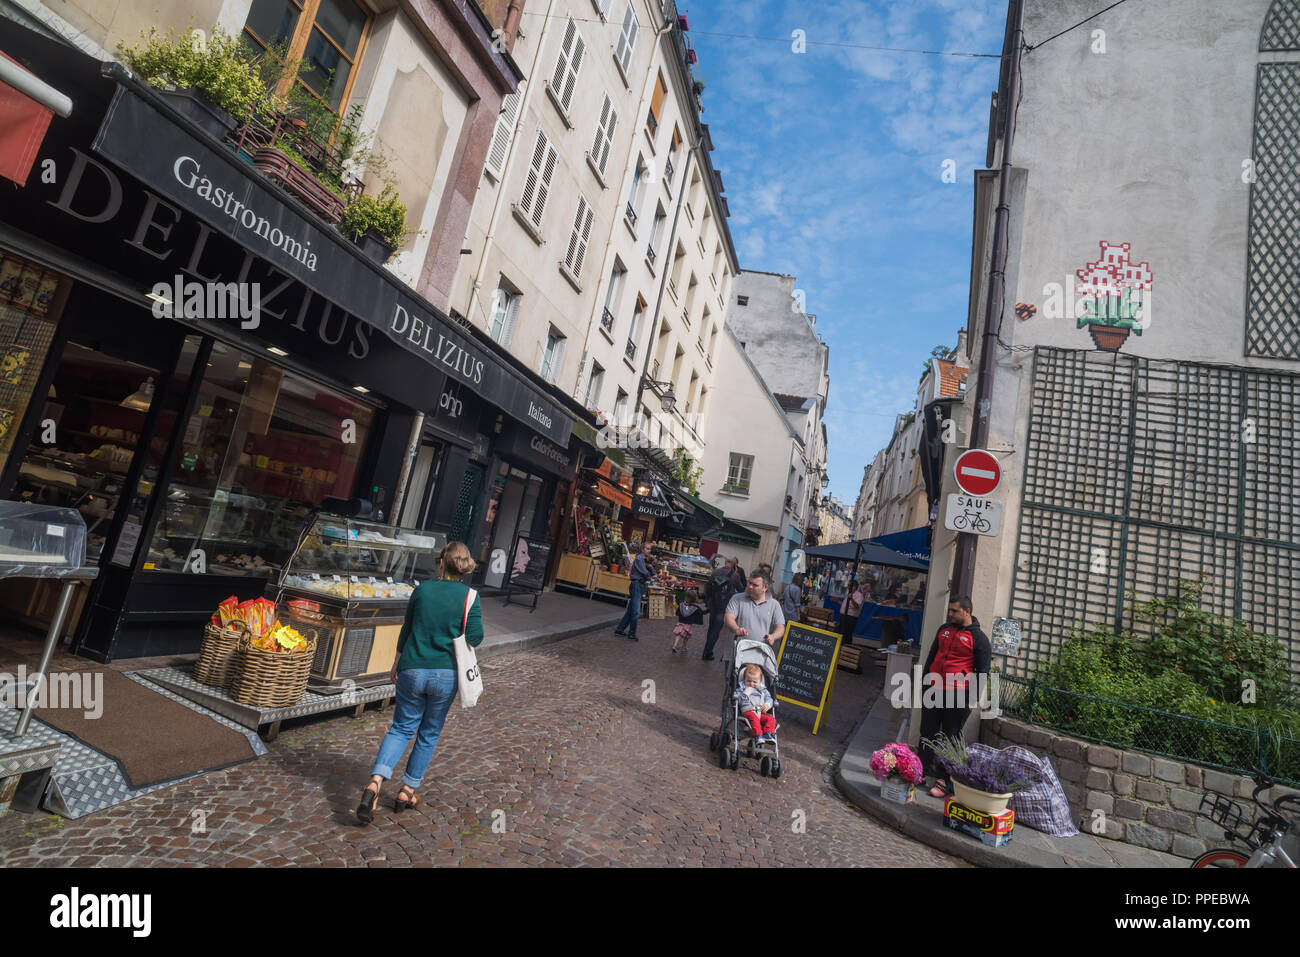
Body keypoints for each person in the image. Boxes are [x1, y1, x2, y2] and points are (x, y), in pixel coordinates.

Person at [357, 541, 482, 824]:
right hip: (445, 674)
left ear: (441, 562)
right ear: (464, 566)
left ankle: (375, 782)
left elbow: (408, 627)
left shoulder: (422, 590)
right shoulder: (470, 597)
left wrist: (396, 661)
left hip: (412, 668)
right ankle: (407, 791)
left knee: (401, 727)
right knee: (429, 732)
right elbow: (476, 637)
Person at [918, 595, 991, 798]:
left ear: (967, 612)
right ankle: (920, 771)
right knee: (927, 731)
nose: (950, 614)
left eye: (954, 611)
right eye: (949, 610)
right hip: (933, 690)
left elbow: (982, 671)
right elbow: (932, 657)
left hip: (958, 694)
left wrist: (971, 700)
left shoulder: (980, 639)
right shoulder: (944, 630)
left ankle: (944, 780)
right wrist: (924, 685)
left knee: (951, 738)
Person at [724, 571, 786, 648]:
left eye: (755, 585)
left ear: (765, 588)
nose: (750, 587)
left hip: (760, 652)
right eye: (749, 583)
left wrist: (773, 637)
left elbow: (780, 627)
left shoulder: (774, 604)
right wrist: (736, 629)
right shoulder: (737, 598)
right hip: (738, 651)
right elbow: (728, 617)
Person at [702, 557, 743, 661]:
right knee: (716, 630)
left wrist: (707, 602)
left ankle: (707, 649)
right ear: (734, 564)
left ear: (725, 562)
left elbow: (708, 588)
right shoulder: (735, 575)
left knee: (711, 628)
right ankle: (707, 652)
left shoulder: (716, 572)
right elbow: (741, 589)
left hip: (713, 604)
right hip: (724, 606)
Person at [614, 542, 653, 641]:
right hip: (636, 585)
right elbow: (644, 572)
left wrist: (652, 571)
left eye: (650, 549)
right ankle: (631, 634)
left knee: (631, 610)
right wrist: (652, 575)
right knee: (636, 612)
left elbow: (649, 570)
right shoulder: (640, 559)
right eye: (648, 549)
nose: (649, 550)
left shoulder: (644, 559)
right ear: (643, 549)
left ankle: (620, 629)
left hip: (639, 585)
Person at [737, 663, 776, 745]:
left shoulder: (763, 690)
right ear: (744, 680)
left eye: (755, 682)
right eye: (748, 681)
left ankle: (768, 734)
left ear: (760, 681)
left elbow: (769, 698)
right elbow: (739, 700)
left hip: (760, 713)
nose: (751, 684)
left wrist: (767, 704)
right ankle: (758, 735)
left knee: (771, 719)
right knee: (754, 718)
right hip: (748, 711)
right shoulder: (742, 689)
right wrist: (746, 692)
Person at [672, 588, 704, 653]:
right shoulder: (695, 608)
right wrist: (709, 610)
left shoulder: (681, 604)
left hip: (680, 622)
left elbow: (677, 601)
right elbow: (702, 612)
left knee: (678, 634)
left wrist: (677, 594)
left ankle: (674, 646)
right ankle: (683, 647)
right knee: (686, 637)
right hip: (688, 625)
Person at [840, 578, 864, 646]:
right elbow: (846, 605)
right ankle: (842, 646)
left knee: (847, 634)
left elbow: (856, 606)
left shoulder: (859, 595)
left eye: (849, 585)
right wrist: (837, 601)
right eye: (848, 585)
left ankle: (847, 647)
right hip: (844, 615)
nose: (848, 587)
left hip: (851, 617)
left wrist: (852, 598)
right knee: (843, 632)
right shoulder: (849, 594)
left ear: (854, 587)